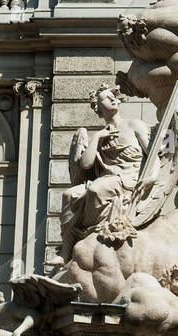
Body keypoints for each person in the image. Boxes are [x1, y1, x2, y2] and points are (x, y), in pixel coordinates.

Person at [58, 85, 152, 261]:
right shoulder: (99, 137)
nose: (113, 99)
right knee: (68, 195)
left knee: (95, 190)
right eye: (107, 99)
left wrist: (152, 177)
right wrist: (97, 137)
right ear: (98, 107)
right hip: (108, 180)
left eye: (113, 97)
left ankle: (89, 233)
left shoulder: (134, 125)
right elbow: (85, 165)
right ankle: (65, 251)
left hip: (127, 179)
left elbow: (154, 154)